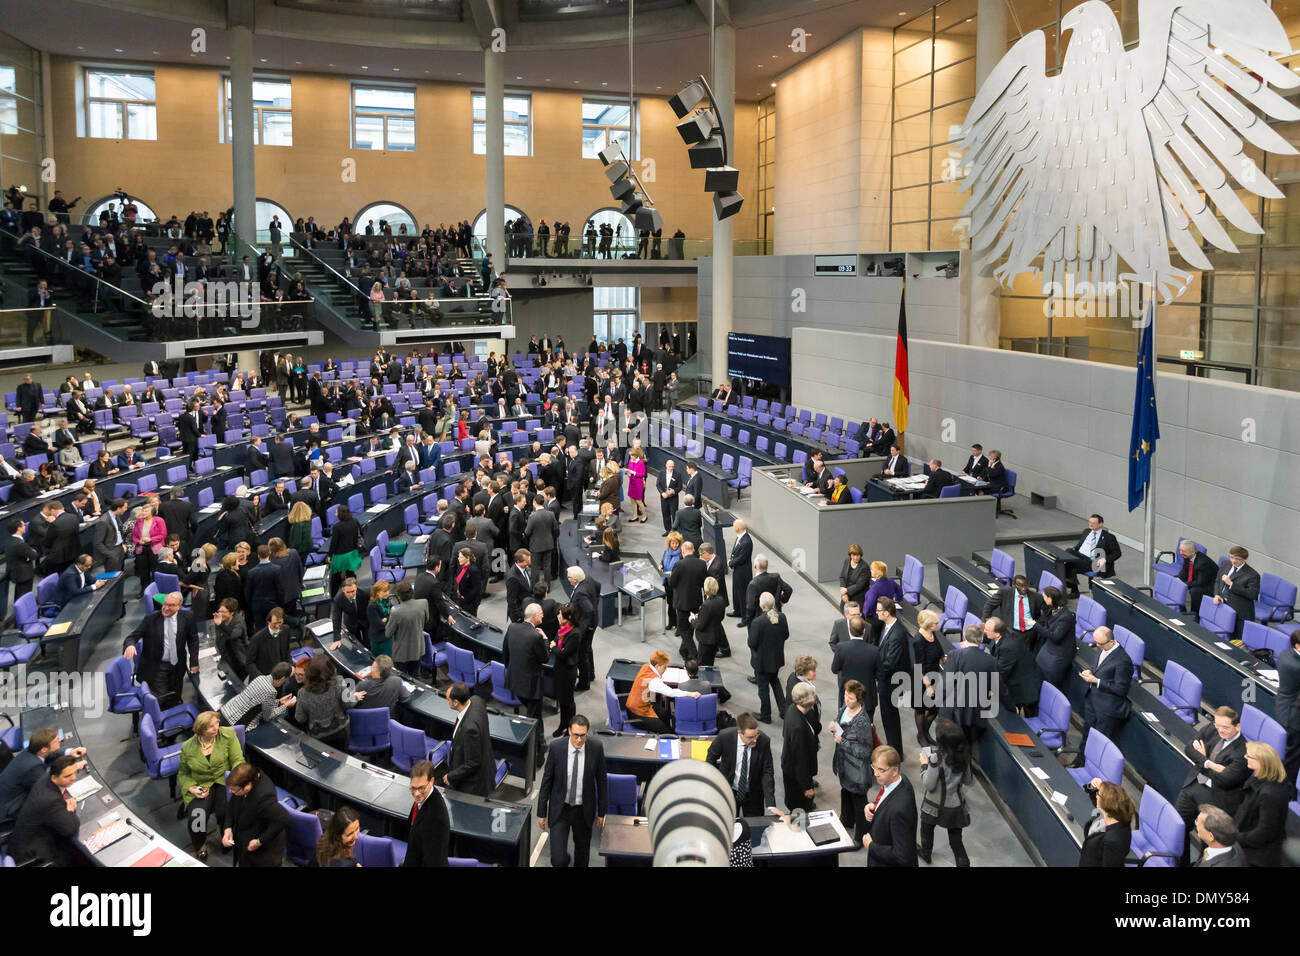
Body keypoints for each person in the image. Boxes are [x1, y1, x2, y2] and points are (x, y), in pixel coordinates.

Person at [536, 714, 608, 868]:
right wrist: (541, 812)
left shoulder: (596, 748)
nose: (579, 740)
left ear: (587, 733)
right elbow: (546, 781)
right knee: (558, 860)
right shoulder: (556, 748)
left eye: (583, 736)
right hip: (561, 809)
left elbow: (602, 782)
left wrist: (602, 812)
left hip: (583, 811)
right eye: (576, 735)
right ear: (569, 731)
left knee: (582, 858)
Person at [1174, 706, 1249, 847]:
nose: (1220, 730)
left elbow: (1225, 780)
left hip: (1218, 797)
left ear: (1237, 726)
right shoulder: (1213, 729)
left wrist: (1202, 760)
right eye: (1218, 725)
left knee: (1208, 841)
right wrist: (1209, 763)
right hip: (1195, 785)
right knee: (1177, 828)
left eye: (1225, 727)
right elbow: (1189, 748)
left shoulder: (1243, 751)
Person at [178, 711, 245, 859]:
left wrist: (237, 779)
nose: (216, 728)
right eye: (211, 727)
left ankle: (225, 838)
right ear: (201, 730)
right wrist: (192, 788)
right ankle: (200, 844)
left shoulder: (227, 734)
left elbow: (238, 760)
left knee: (224, 812)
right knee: (197, 816)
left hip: (225, 781)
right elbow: (183, 773)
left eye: (217, 723)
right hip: (201, 783)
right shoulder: (188, 747)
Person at [123, 591, 198, 711]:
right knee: (161, 700)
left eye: (171, 605)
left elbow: (193, 640)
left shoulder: (187, 617)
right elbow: (132, 637)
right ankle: (162, 723)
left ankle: (173, 716)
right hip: (157, 666)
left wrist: (194, 662)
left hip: (178, 665)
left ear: (179, 606)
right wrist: (130, 645)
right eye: (165, 604)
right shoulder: (151, 619)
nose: (166, 608)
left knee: (175, 695)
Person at [7, 753, 84, 866]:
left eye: (74, 773)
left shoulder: (46, 777)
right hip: (32, 854)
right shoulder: (50, 800)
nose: (73, 778)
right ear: (54, 777)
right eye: (67, 776)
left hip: (22, 840)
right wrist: (70, 810)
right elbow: (71, 827)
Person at [1071, 625, 1131, 768]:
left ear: (1111, 642)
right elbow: (1097, 667)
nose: (1097, 646)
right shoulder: (1101, 647)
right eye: (1096, 642)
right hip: (1092, 700)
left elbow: (1121, 689)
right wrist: (1090, 672)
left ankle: (1092, 774)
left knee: (1098, 745)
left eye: (1100, 643)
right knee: (1086, 734)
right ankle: (1079, 762)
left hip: (1107, 709)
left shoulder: (1123, 661)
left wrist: (1096, 681)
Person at [0, 728, 86, 826]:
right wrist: (73, 768)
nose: (60, 740)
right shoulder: (33, 767)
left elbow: (48, 755)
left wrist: (69, 752)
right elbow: (48, 788)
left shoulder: (30, 751)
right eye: (55, 741)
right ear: (44, 749)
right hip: (12, 807)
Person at [917, 717, 973, 866]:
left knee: (927, 829)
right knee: (956, 841)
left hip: (933, 805)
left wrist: (924, 765)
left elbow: (928, 784)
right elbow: (968, 781)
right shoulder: (964, 757)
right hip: (955, 806)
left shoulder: (936, 758)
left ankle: (926, 852)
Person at [706, 714, 777, 817]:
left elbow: (767, 771)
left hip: (753, 794)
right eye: (750, 737)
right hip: (729, 791)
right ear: (739, 732)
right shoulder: (724, 737)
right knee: (728, 823)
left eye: (756, 735)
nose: (755, 740)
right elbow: (710, 759)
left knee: (755, 827)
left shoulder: (764, 741)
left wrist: (771, 804)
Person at [1231, 741, 1290, 867]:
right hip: (1246, 834)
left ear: (1261, 761)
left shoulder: (1270, 794)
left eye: (1249, 756)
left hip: (1258, 854)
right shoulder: (1258, 777)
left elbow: (1264, 832)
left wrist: (1235, 838)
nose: (1245, 757)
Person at [937, 625, 998, 745]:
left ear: (964, 637)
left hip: (953, 711)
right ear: (980, 640)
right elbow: (993, 689)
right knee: (967, 745)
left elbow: (946, 684)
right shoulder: (991, 660)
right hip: (975, 713)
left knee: (948, 746)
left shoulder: (955, 655)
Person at [504, 603, 549, 760]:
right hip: (532, 687)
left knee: (535, 717)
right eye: (541, 613)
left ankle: (540, 744)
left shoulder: (512, 628)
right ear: (535, 616)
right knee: (534, 719)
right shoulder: (536, 637)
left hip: (515, 681)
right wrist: (545, 638)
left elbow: (506, 654)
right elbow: (545, 658)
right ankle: (537, 752)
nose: (543, 615)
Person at [222, 762, 289, 867]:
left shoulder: (264, 798)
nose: (230, 792)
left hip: (262, 853)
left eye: (233, 790)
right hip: (244, 837)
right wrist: (228, 827)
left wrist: (259, 841)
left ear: (247, 786)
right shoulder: (244, 781)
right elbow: (232, 804)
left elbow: (283, 818)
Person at [860, 745, 917, 865]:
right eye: (873, 767)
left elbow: (902, 856)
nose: (875, 774)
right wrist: (873, 806)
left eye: (881, 770)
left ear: (895, 770)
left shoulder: (899, 810)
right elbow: (886, 800)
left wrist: (871, 847)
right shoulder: (899, 781)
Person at [294, 654, 365, 750]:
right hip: (341, 731)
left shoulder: (302, 693)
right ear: (330, 669)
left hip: (318, 736)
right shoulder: (338, 681)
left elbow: (300, 718)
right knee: (342, 760)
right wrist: (355, 697)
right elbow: (348, 703)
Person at [625, 649, 701, 733]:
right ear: (657, 666)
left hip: (637, 704)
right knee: (665, 731)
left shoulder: (646, 666)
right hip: (638, 715)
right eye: (664, 667)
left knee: (664, 713)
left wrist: (661, 690)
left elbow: (647, 685)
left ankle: (668, 727)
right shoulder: (654, 681)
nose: (666, 670)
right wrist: (690, 694)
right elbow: (671, 692)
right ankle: (669, 734)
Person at [443, 683, 496, 796]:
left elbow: (472, 763)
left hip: (474, 783)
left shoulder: (469, 728)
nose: (447, 701)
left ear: (456, 702)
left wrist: (451, 776)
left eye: (448, 699)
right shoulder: (476, 700)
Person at [985, 616, 1042, 717]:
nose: (984, 631)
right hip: (1018, 676)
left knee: (1029, 715)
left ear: (997, 634)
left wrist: (990, 689)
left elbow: (1001, 673)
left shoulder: (1007, 648)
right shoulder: (1004, 632)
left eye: (987, 630)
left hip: (1025, 687)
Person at [748, 592, 789, 724]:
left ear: (762, 605)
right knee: (775, 682)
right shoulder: (781, 617)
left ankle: (766, 715)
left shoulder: (758, 622)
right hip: (776, 659)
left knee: (763, 688)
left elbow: (751, 643)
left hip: (762, 661)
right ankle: (784, 711)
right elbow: (786, 634)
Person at [876, 597, 909, 757]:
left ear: (887, 613)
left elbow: (890, 663)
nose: (876, 613)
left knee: (890, 718)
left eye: (879, 611)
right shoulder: (888, 626)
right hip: (886, 680)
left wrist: (876, 674)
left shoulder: (897, 634)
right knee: (887, 717)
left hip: (889, 683)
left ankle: (896, 752)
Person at [403, 759, 450, 867]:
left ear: (432, 781)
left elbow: (433, 862)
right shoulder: (423, 799)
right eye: (413, 788)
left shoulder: (437, 818)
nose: (416, 793)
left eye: (421, 788)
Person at [1061, 513, 1122, 596]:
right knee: (1069, 564)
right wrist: (1074, 549)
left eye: (1093, 523)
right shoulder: (1086, 531)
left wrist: (1105, 559)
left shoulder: (1109, 537)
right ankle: (1074, 591)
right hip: (1081, 559)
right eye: (1090, 522)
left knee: (1068, 555)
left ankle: (1073, 589)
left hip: (1095, 563)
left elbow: (1117, 553)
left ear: (1100, 524)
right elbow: (1079, 546)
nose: (1090, 524)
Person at [1078, 780, 1135, 867]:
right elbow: (1096, 800)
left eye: (1098, 794)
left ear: (1106, 804)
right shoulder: (1114, 813)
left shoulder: (1113, 841)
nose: (1096, 796)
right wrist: (1093, 787)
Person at [782, 683, 820, 812]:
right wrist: (807, 786)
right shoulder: (798, 727)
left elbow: (815, 727)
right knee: (800, 810)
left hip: (794, 769)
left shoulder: (794, 708)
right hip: (796, 774)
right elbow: (800, 759)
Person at [668, 539, 708, 661]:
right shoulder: (702, 564)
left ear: (683, 551)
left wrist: (671, 577)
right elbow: (703, 582)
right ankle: (683, 650)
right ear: (693, 550)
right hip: (696, 601)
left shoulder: (678, 565)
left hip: (682, 603)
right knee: (690, 627)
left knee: (683, 629)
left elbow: (672, 583)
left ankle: (693, 654)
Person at [1211, 546, 1261, 640]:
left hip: (1240, 611)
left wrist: (1231, 584)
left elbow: (1252, 594)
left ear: (1245, 559)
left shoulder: (1253, 575)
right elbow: (1218, 580)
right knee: (1221, 636)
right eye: (1231, 557)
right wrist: (1217, 594)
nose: (1233, 561)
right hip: (1223, 605)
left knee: (1236, 640)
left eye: (1237, 559)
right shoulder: (1226, 563)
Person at [983, 574, 1043, 650]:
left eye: (1025, 586)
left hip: (1029, 633)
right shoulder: (1005, 592)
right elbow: (989, 606)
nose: (1024, 588)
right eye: (1020, 586)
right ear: (1014, 585)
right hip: (1010, 631)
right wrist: (985, 621)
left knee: (1026, 657)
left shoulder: (1036, 596)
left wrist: (1037, 626)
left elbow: (1043, 614)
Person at [912, 610, 944, 746]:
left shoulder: (933, 634)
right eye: (936, 623)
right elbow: (918, 666)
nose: (938, 624)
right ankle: (921, 735)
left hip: (934, 675)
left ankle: (924, 732)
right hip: (923, 680)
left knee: (933, 709)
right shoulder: (918, 640)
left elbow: (939, 652)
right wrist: (928, 686)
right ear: (929, 625)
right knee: (920, 709)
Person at [1035, 586, 1076, 690]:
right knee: (1038, 667)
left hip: (1061, 652)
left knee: (1051, 679)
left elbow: (1055, 637)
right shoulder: (1052, 609)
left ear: (1050, 598)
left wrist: (1036, 626)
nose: (1043, 598)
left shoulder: (1066, 617)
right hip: (1049, 647)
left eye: (1044, 596)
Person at [550, 604, 582, 737]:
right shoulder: (563, 628)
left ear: (568, 617)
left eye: (560, 614)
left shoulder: (575, 633)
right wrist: (558, 649)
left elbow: (563, 654)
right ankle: (562, 724)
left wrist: (553, 647)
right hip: (559, 668)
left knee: (568, 701)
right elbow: (559, 645)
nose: (558, 616)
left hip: (568, 671)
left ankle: (570, 728)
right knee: (562, 700)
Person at [385, 580, 428, 673]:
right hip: (418, 649)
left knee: (403, 679)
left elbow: (388, 633)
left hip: (401, 654)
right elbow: (426, 620)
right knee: (416, 677)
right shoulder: (424, 603)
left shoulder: (396, 613)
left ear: (399, 596)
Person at [1176, 539, 1219, 618]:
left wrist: (1184, 584)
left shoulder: (1203, 563)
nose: (1181, 553)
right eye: (1180, 550)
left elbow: (1201, 583)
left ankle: (1195, 614)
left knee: (1194, 591)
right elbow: (1184, 570)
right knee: (1177, 582)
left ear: (1192, 552)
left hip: (1210, 586)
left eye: (1183, 551)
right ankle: (1181, 609)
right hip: (1198, 580)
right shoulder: (1187, 556)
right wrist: (1178, 580)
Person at [692, 576, 728, 667]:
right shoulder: (721, 600)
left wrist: (692, 620)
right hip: (716, 636)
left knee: (702, 664)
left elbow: (700, 625)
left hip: (706, 639)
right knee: (710, 663)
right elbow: (720, 617)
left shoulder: (706, 605)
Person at [453, 546, 484, 616]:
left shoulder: (473, 570)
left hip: (470, 602)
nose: (458, 559)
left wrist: (466, 598)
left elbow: (477, 588)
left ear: (467, 558)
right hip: (461, 600)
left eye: (461, 557)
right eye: (458, 557)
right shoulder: (462, 567)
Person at [839, 544, 870, 611]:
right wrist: (843, 593)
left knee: (855, 617)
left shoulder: (864, 567)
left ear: (861, 555)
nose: (856, 558)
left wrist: (846, 591)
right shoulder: (847, 561)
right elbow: (842, 577)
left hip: (858, 597)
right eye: (853, 555)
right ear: (850, 555)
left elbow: (860, 585)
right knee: (844, 612)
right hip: (846, 595)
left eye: (858, 555)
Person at [625, 446, 648, 521]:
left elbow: (643, 474)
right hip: (631, 483)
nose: (631, 457)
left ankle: (644, 516)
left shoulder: (641, 463)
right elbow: (630, 472)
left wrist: (633, 472)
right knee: (632, 500)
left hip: (638, 484)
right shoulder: (630, 461)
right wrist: (627, 472)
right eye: (630, 455)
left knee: (639, 501)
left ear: (636, 455)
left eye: (632, 455)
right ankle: (635, 516)